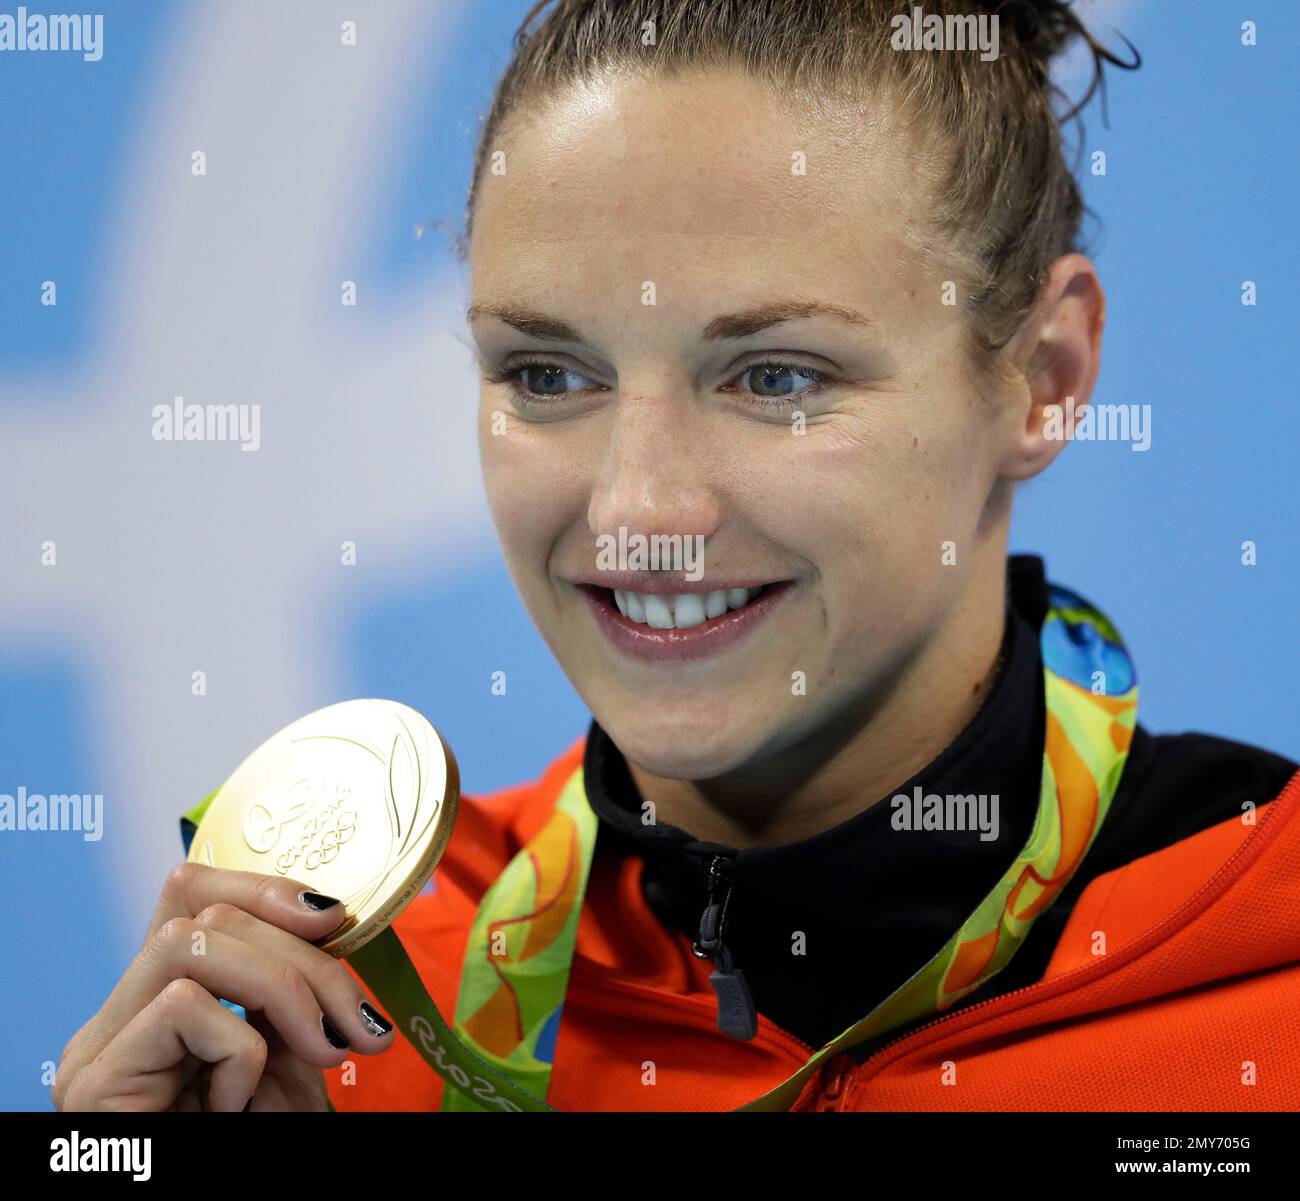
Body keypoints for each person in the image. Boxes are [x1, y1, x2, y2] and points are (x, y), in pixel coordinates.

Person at [53, 0, 1300, 1113]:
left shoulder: (1267, 941)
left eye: (775, 376)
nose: (639, 503)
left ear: (1044, 379)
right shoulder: (335, 1012)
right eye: (547, 373)